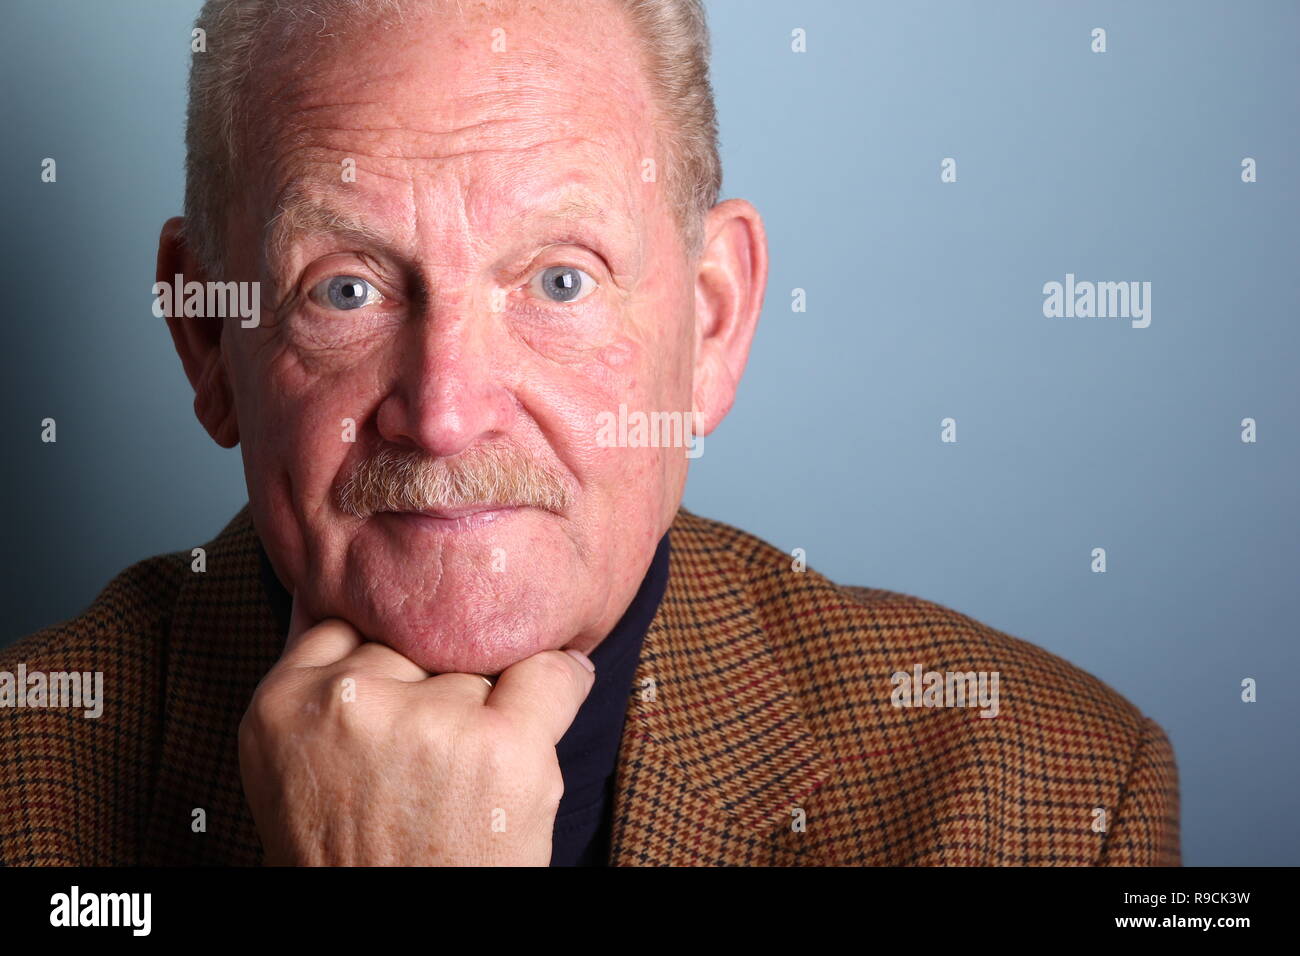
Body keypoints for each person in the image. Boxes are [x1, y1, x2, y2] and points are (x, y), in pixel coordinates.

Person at [0, 0, 1179, 866]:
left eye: (559, 281)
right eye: (347, 288)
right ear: (207, 336)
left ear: (711, 323)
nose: (449, 411)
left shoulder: (1049, 791)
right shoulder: (23, 780)